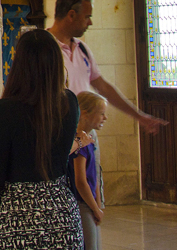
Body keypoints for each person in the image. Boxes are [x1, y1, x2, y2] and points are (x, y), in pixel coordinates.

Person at [0, 29, 84, 250]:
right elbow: (52, 149)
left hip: (14, 223)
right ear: (57, 64)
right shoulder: (69, 104)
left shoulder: (3, 112)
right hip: (62, 221)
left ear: (19, 65)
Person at [47, 0, 165, 131]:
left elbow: (103, 87)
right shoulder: (45, 47)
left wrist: (138, 116)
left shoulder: (81, 48)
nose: (90, 22)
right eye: (87, 17)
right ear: (71, 15)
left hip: (86, 131)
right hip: (59, 131)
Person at [71, 92, 107, 250]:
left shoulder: (90, 139)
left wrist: (98, 205)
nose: (105, 118)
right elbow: (81, 181)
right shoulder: (80, 142)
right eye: (101, 114)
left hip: (90, 203)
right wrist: (94, 208)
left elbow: (95, 176)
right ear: (85, 114)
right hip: (82, 203)